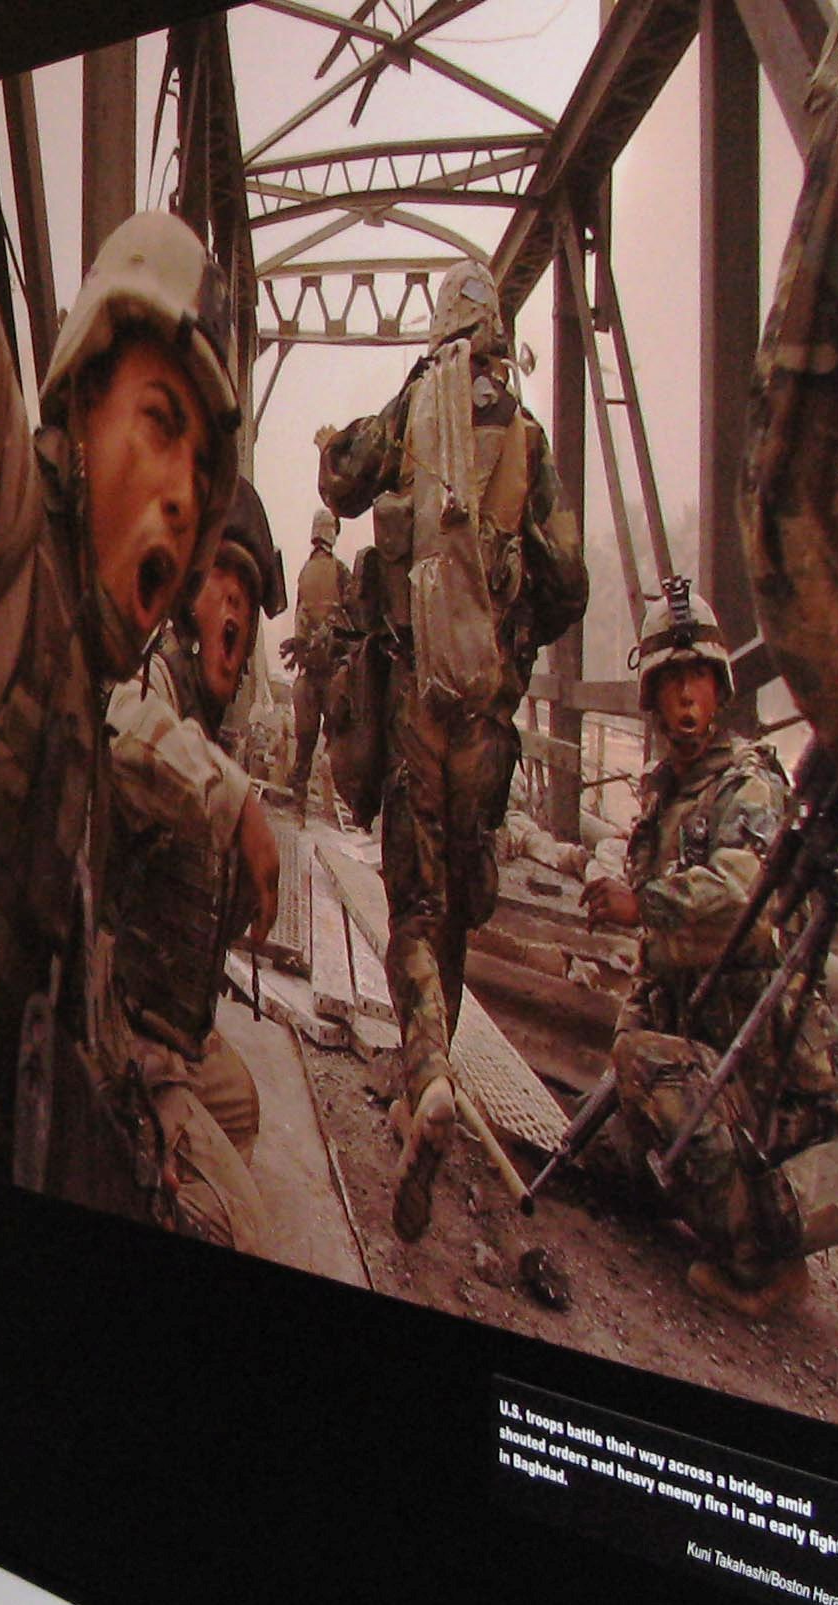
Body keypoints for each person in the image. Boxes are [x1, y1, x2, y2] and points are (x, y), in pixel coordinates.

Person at [0, 82, 242, 1211]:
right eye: (159, 425)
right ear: (76, 407)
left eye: (203, 474)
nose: (177, 492)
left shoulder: (81, 659)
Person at [320, 257, 586, 1241]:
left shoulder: (415, 404)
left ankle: (422, 1072)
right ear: (500, 335)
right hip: (488, 719)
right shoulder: (528, 437)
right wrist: (510, 644)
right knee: (462, 904)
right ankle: (429, 1069)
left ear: (441, 329)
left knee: (413, 908)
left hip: (413, 713)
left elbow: (343, 480)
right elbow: (570, 582)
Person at [581, 585, 838, 1320]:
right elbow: (656, 961)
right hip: (706, 1054)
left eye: (697, 678)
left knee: (644, 1069)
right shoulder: (669, 799)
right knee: (603, 1152)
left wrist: (644, 904)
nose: (684, 698)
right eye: (670, 682)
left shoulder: (750, 785)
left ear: (719, 687)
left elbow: (747, 894)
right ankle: (706, 1183)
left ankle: (759, 1263)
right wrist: (624, 1050)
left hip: (763, 1079)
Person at [102, 477, 286, 1252]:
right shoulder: (152, 678)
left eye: (248, 591)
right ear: (186, 600)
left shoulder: (212, 716)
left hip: (175, 1030)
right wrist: (236, 801)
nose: (236, 606)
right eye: (222, 583)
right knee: (237, 1231)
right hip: (118, 1032)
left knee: (241, 1105)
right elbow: (119, 727)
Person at [283, 507, 352, 825]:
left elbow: (299, 619)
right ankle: (339, 812)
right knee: (339, 742)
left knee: (305, 747)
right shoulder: (339, 571)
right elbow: (353, 618)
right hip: (332, 674)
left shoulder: (304, 572)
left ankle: (300, 808)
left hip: (309, 675)